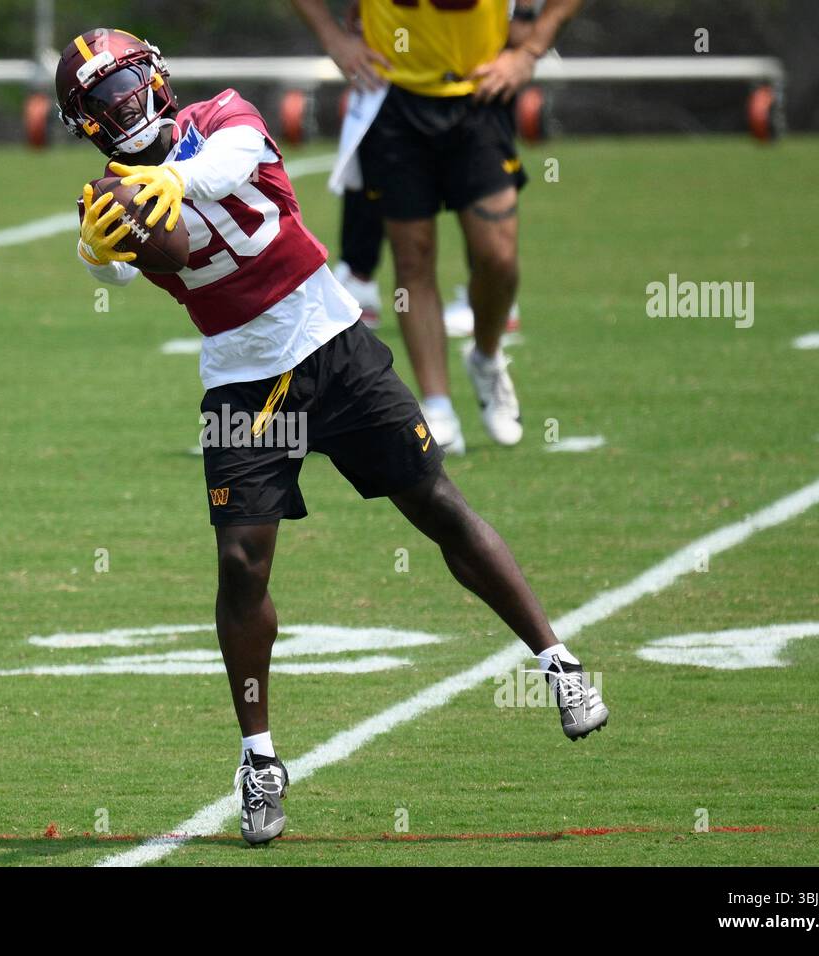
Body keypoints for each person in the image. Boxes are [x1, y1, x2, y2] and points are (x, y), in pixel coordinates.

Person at [57, 27, 606, 846]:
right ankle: (259, 758)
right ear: (86, 122)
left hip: (332, 345)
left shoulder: (222, 117)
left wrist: (163, 180)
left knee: (436, 506)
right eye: (102, 101)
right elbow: (118, 266)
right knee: (241, 564)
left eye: (128, 85)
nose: (124, 105)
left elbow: (230, 165)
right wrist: (94, 251)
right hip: (241, 380)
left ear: (158, 77)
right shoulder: (111, 190)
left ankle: (556, 661)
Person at [294, 0, 582, 453]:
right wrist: (333, 37)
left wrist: (528, 52)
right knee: (413, 258)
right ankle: (437, 404)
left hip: (480, 94)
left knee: (498, 257)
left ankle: (486, 357)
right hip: (393, 98)